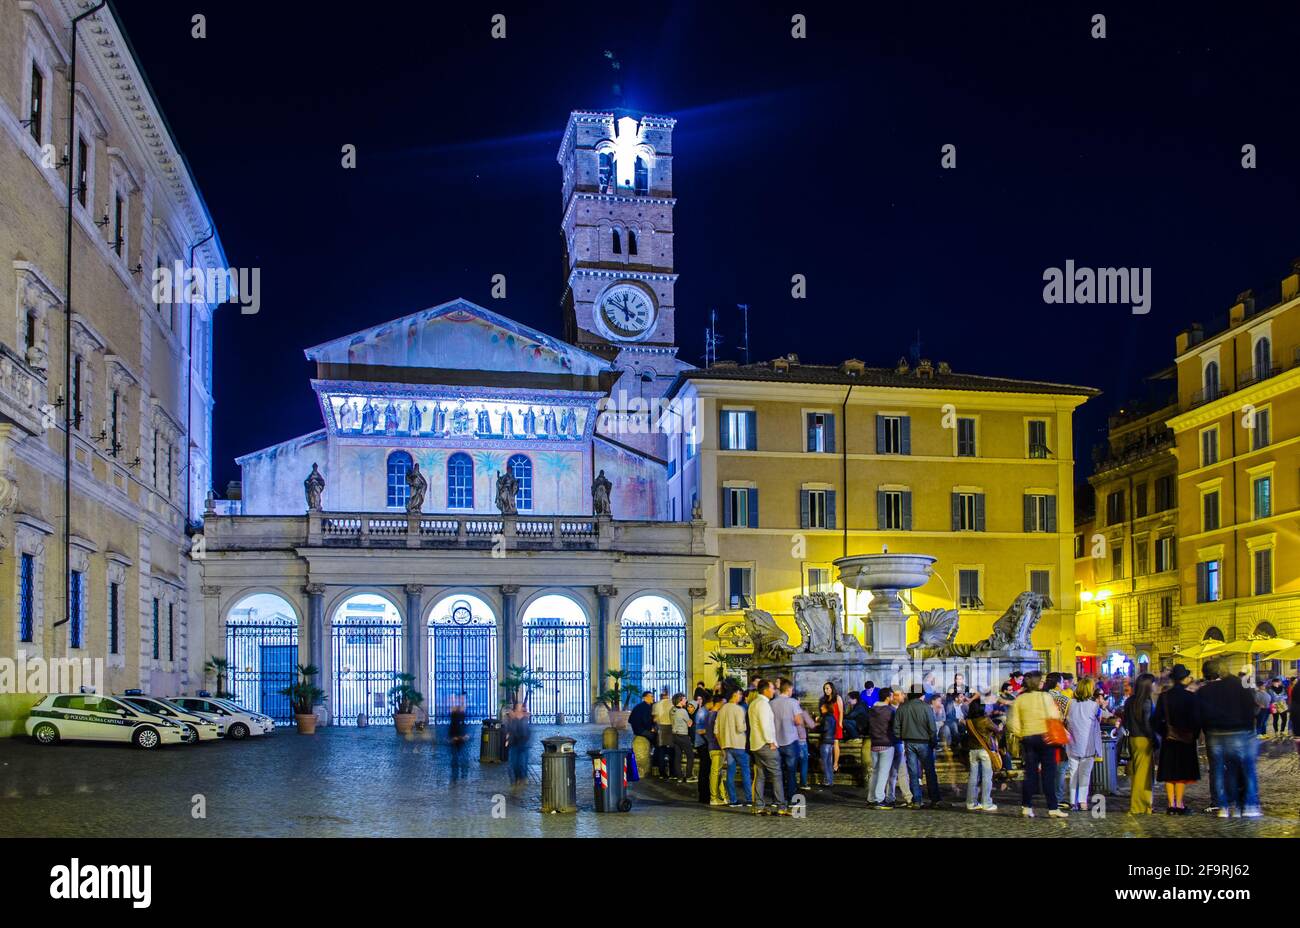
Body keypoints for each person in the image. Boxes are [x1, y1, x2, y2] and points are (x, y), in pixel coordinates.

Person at [1197, 660, 1261, 817]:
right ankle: (1250, 805)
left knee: (1218, 771)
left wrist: (1206, 731)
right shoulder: (1239, 685)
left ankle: (1223, 806)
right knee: (1247, 769)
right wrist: (1250, 729)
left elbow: (1200, 714)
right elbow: (1251, 709)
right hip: (1240, 732)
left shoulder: (1204, 691)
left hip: (1214, 734)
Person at [1007, 670, 1067, 818]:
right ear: (1038, 682)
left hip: (1028, 738)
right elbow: (1054, 716)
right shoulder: (1045, 697)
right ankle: (1052, 808)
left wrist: (1022, 733)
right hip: (1045, 737)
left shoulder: (1020, 700)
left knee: (1030, 774)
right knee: (1048, 774)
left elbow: (1011, 722)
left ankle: (1026, 807)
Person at [1153, 664, 1200, 815]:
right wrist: (1194, 735)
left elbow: (1155, 720)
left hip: (1169, 738)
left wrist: (1164, 731)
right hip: (1186, 739)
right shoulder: (1191, 697)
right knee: (1181, 773)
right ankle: (1179, 804)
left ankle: (1170, 804)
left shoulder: (1164, 696)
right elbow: (1196, 719)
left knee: (1169, 773)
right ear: (1184, 678)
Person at [892, 691, 942, 808]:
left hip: (909, 742)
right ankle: (935, 799)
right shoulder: (926, 707)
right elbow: (932, 727)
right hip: (924, 742)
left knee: (913, 773)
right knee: (930, 772)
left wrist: (900, 737)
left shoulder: (902, 707)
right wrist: (934, 741)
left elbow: (896, 727)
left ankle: (917, 801)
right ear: (921, 695)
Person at [749, 679, 788, 814]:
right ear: (765, 690)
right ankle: (781, 806)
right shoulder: (763, 704)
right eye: (772, 688)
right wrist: (771, 741)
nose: (774, 690)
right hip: (765, 744)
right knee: (776, 774)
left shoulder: (754, 703)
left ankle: (759, 806)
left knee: (760, 775)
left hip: (755, 744)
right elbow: (765, 725)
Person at [1065, 678, 1103, 811]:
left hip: (1072, 743)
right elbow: (1099, 719)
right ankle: (1082, 801)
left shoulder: (1071, 703)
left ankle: (1072, 801)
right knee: (1084, 775)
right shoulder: (1094, 705)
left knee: (1073, 773)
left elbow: (1066, 720)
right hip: (1088, 744)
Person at [1122, 672, 1157, 814]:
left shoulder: (1130, 701)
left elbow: (1126, 722)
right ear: (1148, 686)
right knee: (1144, 775)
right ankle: (1140, 806)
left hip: (1133, 739)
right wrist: (1154, 739)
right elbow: (1147, 724)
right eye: (1153, 683)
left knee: (1137, 773)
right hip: (1144, 740)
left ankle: (1142, 804)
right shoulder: (1147, 702)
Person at [716, 687, 751, 807]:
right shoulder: (738, 709)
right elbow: (740, 728)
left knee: (730, 772)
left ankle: (733, 799)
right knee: (745, 771)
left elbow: (716, 730)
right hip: (739, 744)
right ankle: (749, 798)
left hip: (727, 745)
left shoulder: (722, 709)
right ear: (734, 695)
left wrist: (722, 745)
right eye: (739, 694)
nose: (741, 696)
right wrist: (748, 723)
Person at [964, 697, 998, 812]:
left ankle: (970, 802)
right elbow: (996, 729)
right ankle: (986, 803)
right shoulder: (985, 720)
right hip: (985, 751)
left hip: (972, 751)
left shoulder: (969, 721)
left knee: (973, 777)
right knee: (986, 777)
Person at [770, 680, 802, 799]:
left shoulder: (771, 703)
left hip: (776, 741)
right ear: (788, 689)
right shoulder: (793, 702)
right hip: (790, 740)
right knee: (791, 772)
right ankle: (791, 797)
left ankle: (778, 796)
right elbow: (798, 721)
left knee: (778, 772)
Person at [867, 687, 897, 808]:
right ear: (887, 697)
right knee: (883, 773)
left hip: (874, 743)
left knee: (875, 772)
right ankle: (879, 799)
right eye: (891, 696)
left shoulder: (872, 710)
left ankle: (871, 798)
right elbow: (894, 727)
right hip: (886, 743)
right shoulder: (890, 711)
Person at [704, 692, 727, 806]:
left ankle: (722, 796)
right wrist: (723, 747)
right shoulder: (716, 715)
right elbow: (717, 733)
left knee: (718, 773)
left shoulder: (708, 714)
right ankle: (714, 797)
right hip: (717, 746)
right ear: (720, 703)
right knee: (715, 773)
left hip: (711, 746)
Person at [503, 701, 531, 789]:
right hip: (513, 743)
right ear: (515, 709)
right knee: (513, 763)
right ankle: (514, 779)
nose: (520, 709)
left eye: (521, 707)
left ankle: (522, 778)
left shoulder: (525, 717)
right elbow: (508, 730)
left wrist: (527, 740)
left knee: (522, 763)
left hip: (523, 744)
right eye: (518, 707)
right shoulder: (511, 718)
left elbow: (527, 731)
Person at [670, 693, 696, 783]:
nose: (686, 701)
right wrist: (691, 720)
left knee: (677, 756)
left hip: (674, 735)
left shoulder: (672, 710)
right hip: (682, 735)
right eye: (684, 699)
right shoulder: (683, 711)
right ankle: (688, 776)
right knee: (690, 756)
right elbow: (689, 724)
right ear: (680, 700)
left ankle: (679, 777)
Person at [822, 682, 844, 772]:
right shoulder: (825, 699)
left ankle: (835, 763)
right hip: (828, 724)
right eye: (824, 689)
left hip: (836, 723)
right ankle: (829, 763)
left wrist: (840, 723)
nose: (826, 690)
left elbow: (841, 711)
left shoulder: (837, 698)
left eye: (827, 688)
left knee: (835, 743)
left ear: (832, 688)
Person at [652, 688, 674, 777]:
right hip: (670, 727)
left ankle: (662, 773)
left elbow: (654, 718)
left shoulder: (656, 705)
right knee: (672, 751)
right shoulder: (672, 703)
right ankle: (672, 772)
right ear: (667, 695)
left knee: (661, 750)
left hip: (660, 728)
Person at [448, 693, 469, 782]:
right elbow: (452, 725)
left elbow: (464, 725)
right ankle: (455, 776)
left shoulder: (462, 712)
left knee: (462, 757)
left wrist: (465, 735)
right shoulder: (454, 711)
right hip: (455, 737)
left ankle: (462, 774)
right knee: (455, 758)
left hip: (461, 737)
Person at [694, 694, 712, 802]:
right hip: (703, 744)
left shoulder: (705, 712)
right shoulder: (702, 713)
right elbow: (700, 731)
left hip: (703, 743)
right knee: (704, 770)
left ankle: (704, 794)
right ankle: (703, 795)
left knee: (704, 769)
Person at [795, 700, 816, 791]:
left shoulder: (787, 711)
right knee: (803, 763)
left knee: (792, 764)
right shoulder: (802, 712)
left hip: (790, 741)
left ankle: (791, 783)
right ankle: (803, 783)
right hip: (801, 741)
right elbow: (812, 725)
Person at [817, 699, 838, 787]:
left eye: (822, 706)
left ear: (826, 708)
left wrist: (818, 726)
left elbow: (824, 728)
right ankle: (830, 780)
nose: (821, 708)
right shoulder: (832, 717)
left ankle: (827, 780)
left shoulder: (826, 717)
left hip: (825, 741)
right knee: (829, 762)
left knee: (825, 762)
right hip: (830, 741)